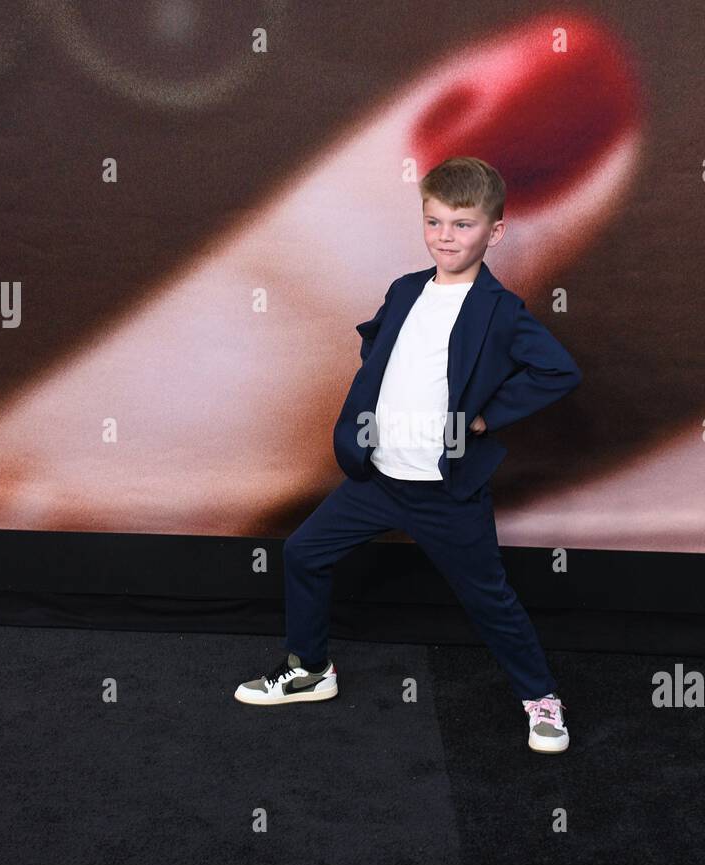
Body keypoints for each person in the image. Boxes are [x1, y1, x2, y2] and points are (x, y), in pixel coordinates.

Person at [234, 157, 582, 753]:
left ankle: (541, 700)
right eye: (435, 222)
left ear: (494, 232)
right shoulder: (404, 289)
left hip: (443, 490)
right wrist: (372, 411)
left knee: (488, 598)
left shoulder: (500, 311)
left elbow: (558, 370)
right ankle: (311, 669)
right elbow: (382, 349)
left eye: (463, 225)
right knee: (303, 553)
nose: (446, 237)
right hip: (378, 478)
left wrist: (482, 417)